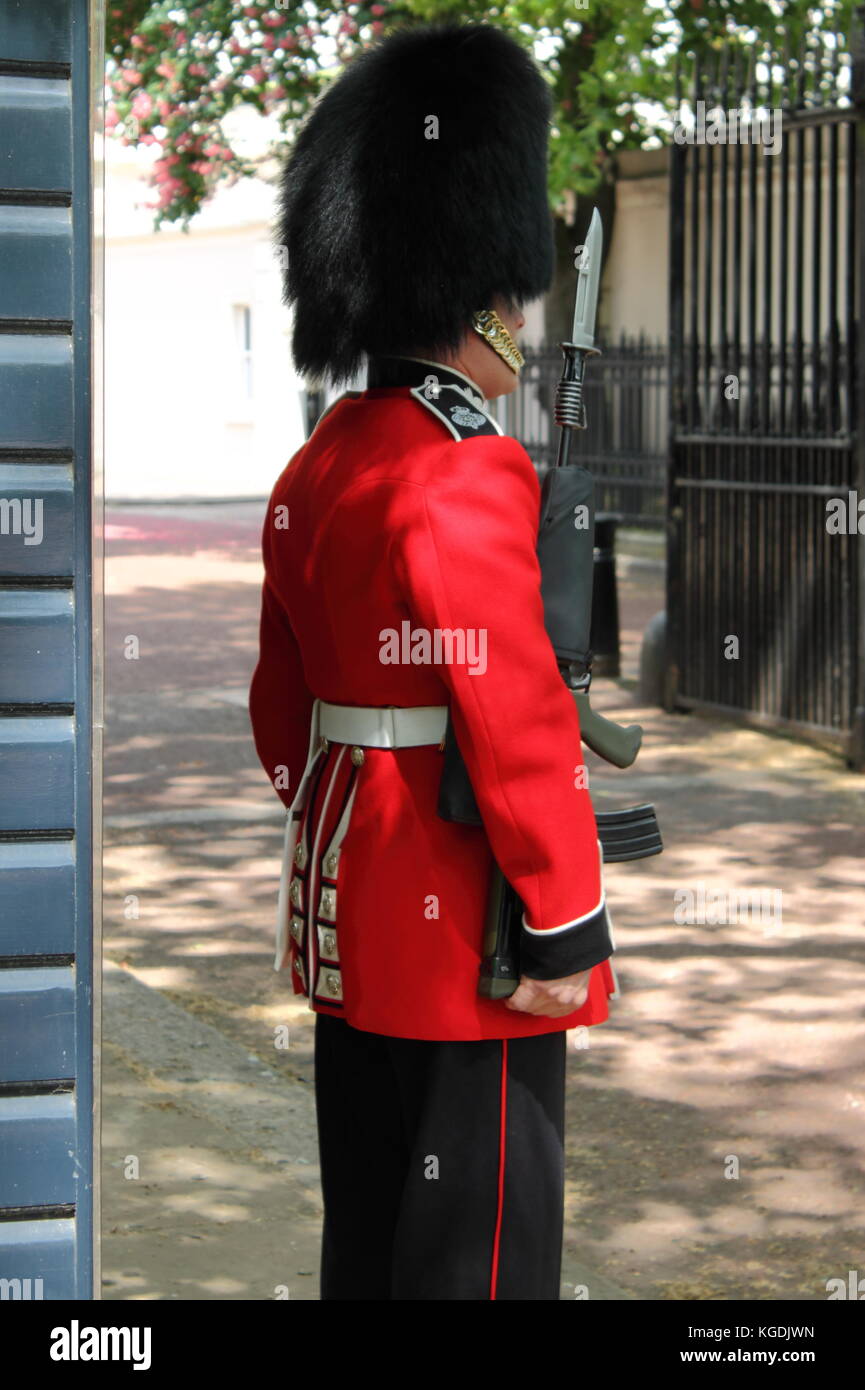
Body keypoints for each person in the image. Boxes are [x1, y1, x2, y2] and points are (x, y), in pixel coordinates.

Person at [248, 20, 616, 1302]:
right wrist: (566, 915)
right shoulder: (462, 472)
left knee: (370, 1238)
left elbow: (280, 716)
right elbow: (513, 719)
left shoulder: (322, 462)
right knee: (481, 1265)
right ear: (487, 304)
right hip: (469, 930)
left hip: (349, 911)